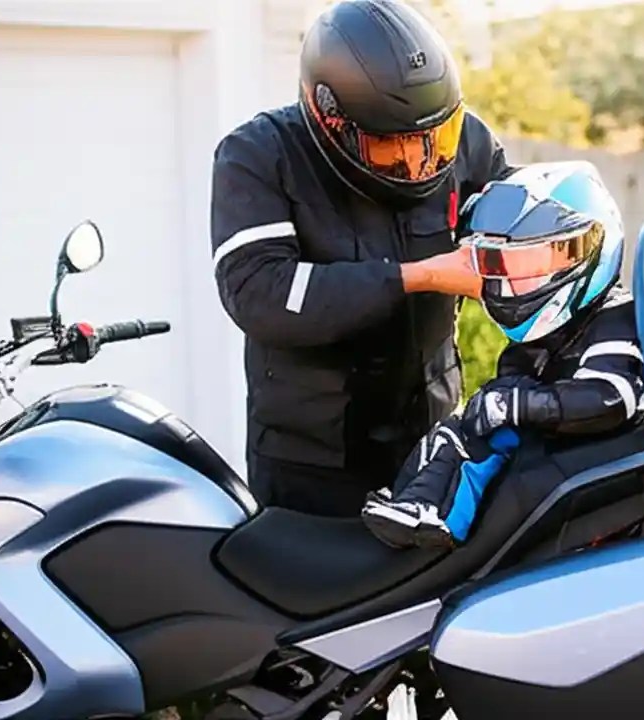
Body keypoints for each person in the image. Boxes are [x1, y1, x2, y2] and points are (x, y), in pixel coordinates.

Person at [209, 0, 514, 516]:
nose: (416, 162)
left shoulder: (466, 141)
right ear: (330, 118)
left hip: (431, 440)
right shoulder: (257, 155)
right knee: (311, 594)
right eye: (390, 147)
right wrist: (419, 276)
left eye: (430, 141)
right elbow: (259, 294)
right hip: (310, 464)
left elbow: (523, 222)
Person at [361, 162, 644, 549]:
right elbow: (511, 390)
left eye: (535, 263)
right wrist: (496, 406)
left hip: (580, 459)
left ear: (592, 244)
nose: (515, 284)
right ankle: (417, 507)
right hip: (549, 447)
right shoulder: (538, 339)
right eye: (505, 266)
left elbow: (611, 396)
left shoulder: (612, 317)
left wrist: (517, 404)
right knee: (456, 430)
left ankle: (432, 515)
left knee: (481, 425)